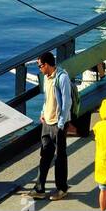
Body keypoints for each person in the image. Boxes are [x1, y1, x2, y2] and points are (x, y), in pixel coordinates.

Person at [31, 51, 72, 200]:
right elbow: (47, 98)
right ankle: (39, 188)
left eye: (40, 66)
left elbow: (67, 102)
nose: (40, 69)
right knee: (45, 154)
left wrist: (61, 123)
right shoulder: (46, 78)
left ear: (47, 65)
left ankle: (62, 188)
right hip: (47, 122)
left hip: (58, 123)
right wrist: (43, 112)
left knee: (60, 156)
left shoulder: (62, 78)